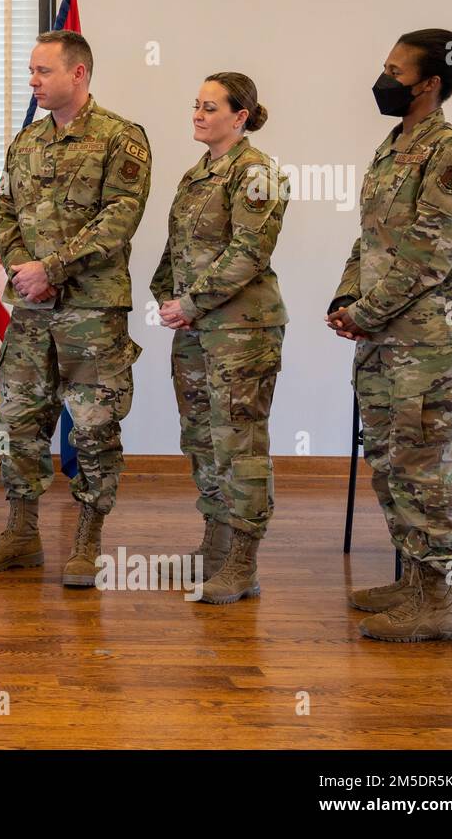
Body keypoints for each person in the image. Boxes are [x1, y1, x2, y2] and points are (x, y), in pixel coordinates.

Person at [0, 31, 150, 586]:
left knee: (93, 428)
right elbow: (6, 216)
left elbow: (119, 219)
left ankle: (88, 541)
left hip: (92, 312)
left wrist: (54, 269)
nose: (33, 81)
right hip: (30, 312)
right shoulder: (26, 143)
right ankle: (22, 534)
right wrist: (26, 271)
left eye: (43, 71)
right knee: (18, 424)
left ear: (79, 74)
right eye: (31, 71)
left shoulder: (121, 139)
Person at [328, 28, 452, 642]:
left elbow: (428, 255)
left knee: (424, 468)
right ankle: (414, 581)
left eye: (395, 70)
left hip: (427, 341)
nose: (383, 78)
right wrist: (349, 298)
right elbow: (370, 241)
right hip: (383, 337)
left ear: (429, 83)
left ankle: (440, 601)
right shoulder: (395, 146)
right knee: (390, 462)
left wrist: (366, 311)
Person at [150, 72, 290, 603]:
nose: (198, 114)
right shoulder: (197, 175)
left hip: (241, 331)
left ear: (241, 116)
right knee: (202, 439)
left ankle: (242, 564)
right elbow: (176, 248)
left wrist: (191, 303)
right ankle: (214, 544)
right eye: (196, 105)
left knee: (240, 444)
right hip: (195, 329)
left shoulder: (258, 173)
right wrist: (168, 296)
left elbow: (248, 254)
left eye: (211, 107)